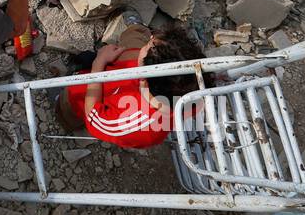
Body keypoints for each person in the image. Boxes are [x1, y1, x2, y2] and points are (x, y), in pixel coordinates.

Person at [55, 24, 205, 149]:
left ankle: (61, 111)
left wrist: (99, 63)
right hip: (125, 74)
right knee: (137, 32)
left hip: (84, 96)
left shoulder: (140, 125)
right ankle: (135, 26)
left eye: (149, 46)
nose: (150, 41)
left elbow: (93, 117)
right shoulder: (194, 87)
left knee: (69, 102)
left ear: (142, 79)